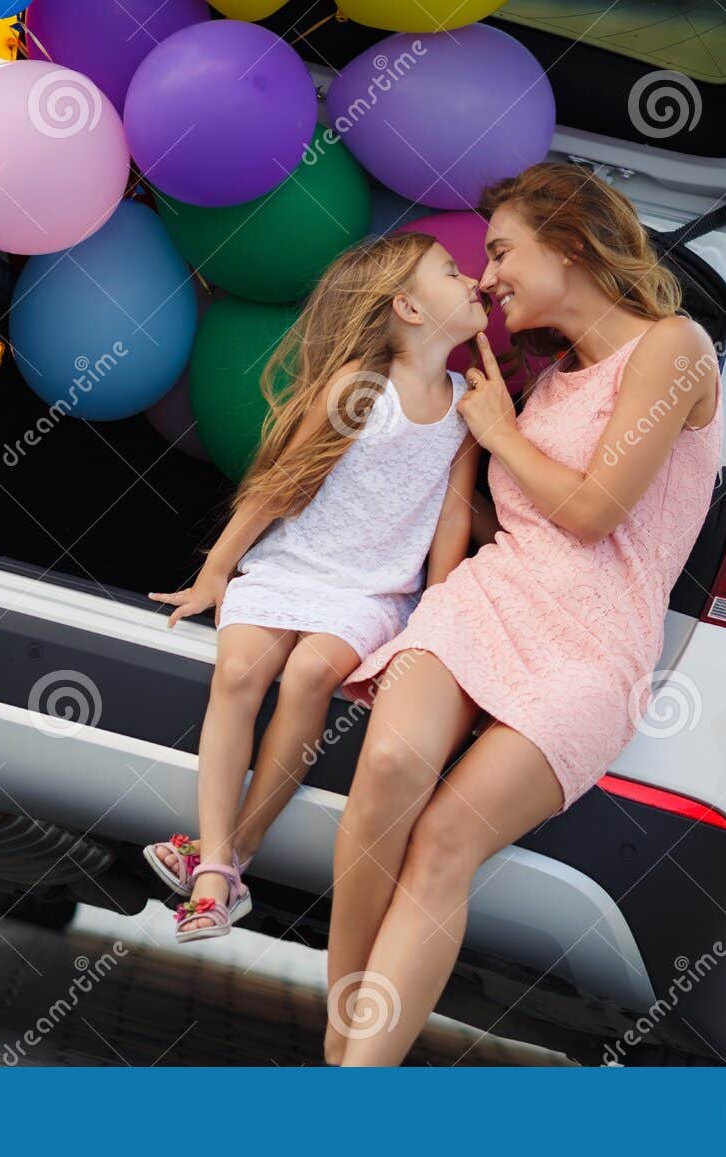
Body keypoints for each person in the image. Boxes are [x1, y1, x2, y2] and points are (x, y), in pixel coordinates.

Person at [324, 161, 724, 1064]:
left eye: (502, 251)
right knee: (386, 766)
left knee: (444, 837)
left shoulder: (674, 348)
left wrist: (499, 434)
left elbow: (592, 511)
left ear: (571, 245)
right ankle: (338, 1047)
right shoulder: (543, 382)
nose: (489, 273)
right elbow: (492, 516)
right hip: (488, 601)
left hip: (592, 645)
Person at [143, 231, 490, 942]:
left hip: (373, 591)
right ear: (410, 310)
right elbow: (281, 486)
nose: (474, 277)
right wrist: (216, 572)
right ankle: (217, 864)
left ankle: (227, 858)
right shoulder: (356, 388)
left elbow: (453, 520)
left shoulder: (466, 408)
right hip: (293, 563)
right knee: (238, 671)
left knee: (308, 676)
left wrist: (440, 614)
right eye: (452, 271)